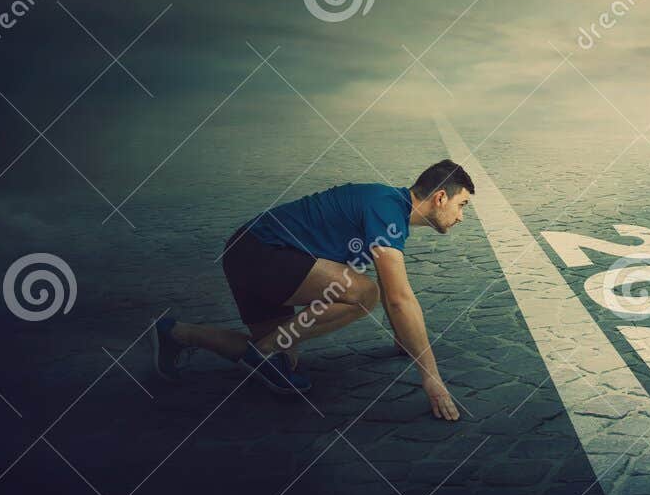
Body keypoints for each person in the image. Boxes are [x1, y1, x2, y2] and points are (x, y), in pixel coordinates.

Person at [149, 160, 474, 422]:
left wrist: (404, 341)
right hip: (261, 251)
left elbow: (394, 289)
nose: (461, 216)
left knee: (280, 352)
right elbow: (398, 297)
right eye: (462, 205)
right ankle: (262, 354)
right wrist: (431, 377)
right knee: (364, 294)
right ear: (440, 197)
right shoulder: (387, 209)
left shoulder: (387, 206)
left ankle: (178, 333)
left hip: (247, 251)